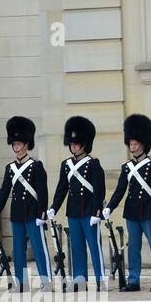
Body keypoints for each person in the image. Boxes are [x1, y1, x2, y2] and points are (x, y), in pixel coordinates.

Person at [0, 116, 50, 291]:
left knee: (38, 248)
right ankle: (22, 283)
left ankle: (46, 281)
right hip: (18, 214)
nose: (16, 147)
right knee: (18, 251)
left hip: (33, 213)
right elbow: (4, 192)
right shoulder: (10, 168)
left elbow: (43, 193)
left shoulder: (36, 166)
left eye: (19, 143)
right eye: (14, 144)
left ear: (27, 144)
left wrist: (42, 214)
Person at [103, 114, 151, 292]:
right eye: (130, 142)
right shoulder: (126, 167)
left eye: (135, 142)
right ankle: (134, 281)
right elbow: (120, 190)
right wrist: (109, 207)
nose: (132, 145)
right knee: (133, 249)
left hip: (149, 212)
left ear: (143, 143)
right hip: (132, 212)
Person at [48, 116, 106, 289]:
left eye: (76, 143)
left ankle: (100, 279)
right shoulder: (66, 165)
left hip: (89, 212)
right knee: (77, 247)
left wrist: (97, 212)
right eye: (71, 143)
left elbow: (99, 190)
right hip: (73, 212)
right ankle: (80, 279)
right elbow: (62, 189)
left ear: (84, 143)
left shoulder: (93, 164)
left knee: (94, 247)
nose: (72, 146)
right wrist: (54, 207)